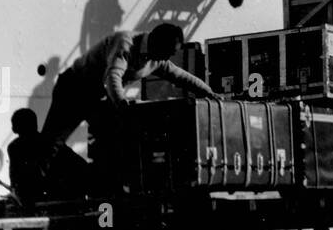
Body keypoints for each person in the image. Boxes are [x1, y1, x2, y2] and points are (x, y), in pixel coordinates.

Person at [40, 22, 218, 149]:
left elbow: (180, 76)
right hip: (73, 88)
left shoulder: (157, 58)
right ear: (157, 43)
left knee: (109, 138)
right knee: (52, 141)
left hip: (96, 94)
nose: (168, 58)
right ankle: (33, 193)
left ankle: (103, 189)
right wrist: (121, 104)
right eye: (168, 52)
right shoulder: (126, 43)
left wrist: (209, 93)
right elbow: (112, 76)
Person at [7, 108, 49, 206]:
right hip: (30, 194)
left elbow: (14, 173)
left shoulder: (14, 146)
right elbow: (14, 173)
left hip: (39, 193)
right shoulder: (14, 147)